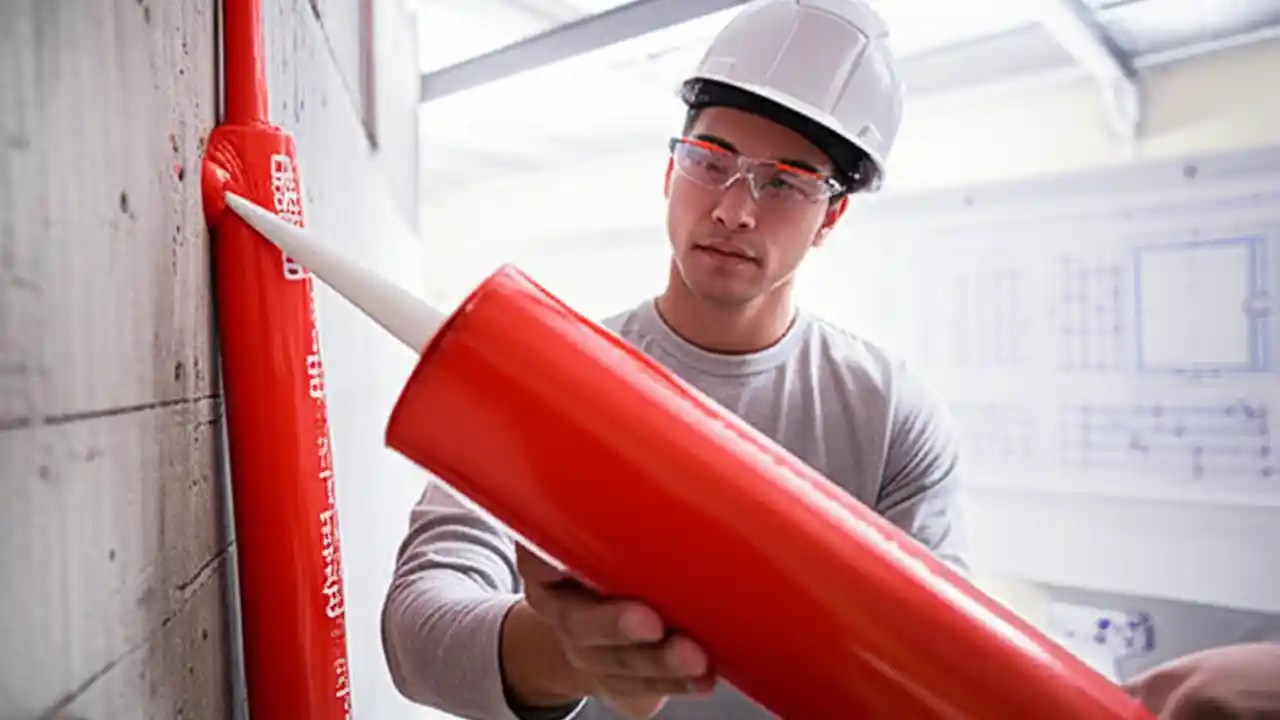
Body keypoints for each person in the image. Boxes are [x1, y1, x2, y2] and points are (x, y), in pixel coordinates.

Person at [381, 1, 970, 718]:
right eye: (710, 161)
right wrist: (563, 655)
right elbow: (416, 628)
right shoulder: (549, 384)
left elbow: (945, 669)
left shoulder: (889, 418)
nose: (733, 210)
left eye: (784, 182)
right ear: (671, 170)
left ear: (831, 216)